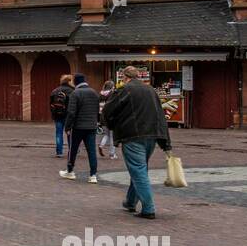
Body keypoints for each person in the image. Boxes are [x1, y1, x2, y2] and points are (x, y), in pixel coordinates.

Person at [103, 66, 172, 220]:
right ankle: (130, 201)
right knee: (140, 168)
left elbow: (107, 111)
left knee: (138, 170)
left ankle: (148, 208)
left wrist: (112, 125)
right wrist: (165, 142)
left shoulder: (123, 90)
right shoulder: (151, 91)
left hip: (132, 135)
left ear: (124, 77)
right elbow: (160, 115)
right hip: (151, 135)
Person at [59, 74, 101, 184]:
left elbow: (71, 112)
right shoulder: (94, 92)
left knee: (72, 150)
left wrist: (67, 127)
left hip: (78, 127)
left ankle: (70, 171)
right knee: (91, 151)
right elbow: (97, 110)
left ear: (75, 82)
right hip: (91, 126)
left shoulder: (75, 93)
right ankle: (93, 175)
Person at [49, 75, 75, 159]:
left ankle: (59, 152)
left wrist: (53, 114)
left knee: (58, 133)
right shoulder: (72, 91)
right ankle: (71, 151)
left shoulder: (55, 91)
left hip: (57, 115)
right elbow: (74, 105)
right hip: (68, 115)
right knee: (70, 133)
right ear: (69, 81)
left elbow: (51, 104)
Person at [98, 81, 118, 160]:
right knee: (112, 137)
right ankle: (112, 154)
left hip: (102, 117)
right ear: (111, 87)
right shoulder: (112, 94)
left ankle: (101, 145)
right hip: (111, 117)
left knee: (106, 134)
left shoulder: (100, 95)